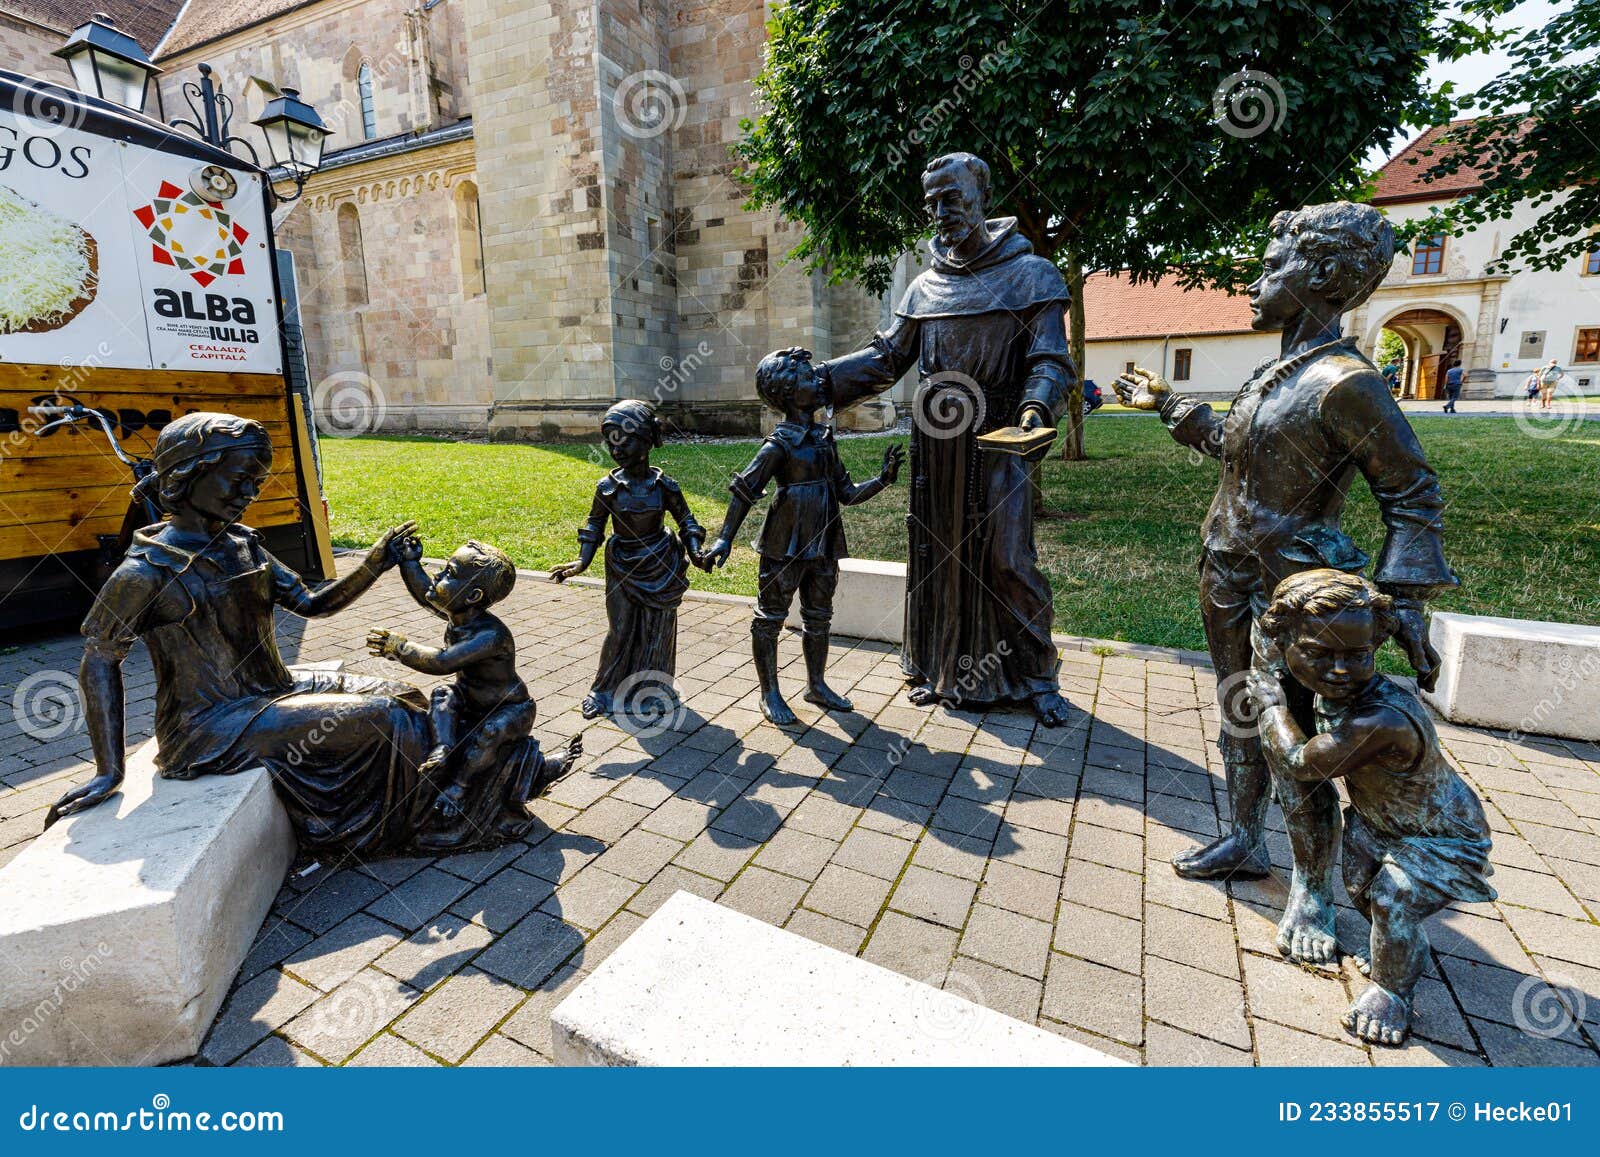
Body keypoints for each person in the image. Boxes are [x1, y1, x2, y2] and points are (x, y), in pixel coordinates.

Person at [1114, 202, 1457, 966]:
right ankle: (1243, 836)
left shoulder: (1344, 382)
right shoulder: (1280, 371)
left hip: (1295, 592)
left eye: (1276, 266)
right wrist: (1167, 406)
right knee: (1242, 711)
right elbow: (1238, 456)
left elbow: (1412, 492)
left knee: (1297, 734)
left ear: (1328, 278)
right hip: (1227, 569)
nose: (1257, 279)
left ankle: (1313, 885)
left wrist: (1403, 601)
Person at [45, 412, 576, 855]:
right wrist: (107, 771)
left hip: (272, 693)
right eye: (241, 478)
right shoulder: (147, 572)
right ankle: (429, 818)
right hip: (212, 726)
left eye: (258, 480)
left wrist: (377, 561)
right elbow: (99, 659)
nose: (251, 492)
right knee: (389, 716)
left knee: (406, 694)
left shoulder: (243, 546)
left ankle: (506, 780)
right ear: (190, 474)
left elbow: (312, 604)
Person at [816, 152, 1078, 726]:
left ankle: (1035, 672)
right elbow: (886, 359)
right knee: (940, 558)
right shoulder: (925, 287)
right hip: (938, 446)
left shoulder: (1032, 275)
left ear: (981, 196)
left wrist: (1036, 408)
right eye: (931, 201)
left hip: (1001, 437)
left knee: (1008, 555)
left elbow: (1051, 359)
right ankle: (943, 670)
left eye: (951, 197)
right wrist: (821, 381)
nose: (939, 211)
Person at [1247, 570, 1494, 1046]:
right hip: (1381, 823)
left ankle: (1391, 993)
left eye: (1357, 655)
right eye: (1320, 653)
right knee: (1363, 890)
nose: (1339, 669)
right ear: (1286, 645)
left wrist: (1274, 705)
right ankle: (1398, 948)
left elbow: (1301, 762)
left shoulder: (1381, 719)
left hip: (1442, 838)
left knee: (1392, 898)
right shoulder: (1343, 691)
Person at [700, 347, 904, 724]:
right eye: (810, 378)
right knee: (770, 616)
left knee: (819, 615)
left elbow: (846, 492)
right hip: (786, 539)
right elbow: (746, 488)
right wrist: (724, 538)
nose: (820, 381)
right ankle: (770, 693)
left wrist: (883, 479)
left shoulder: (824, 438)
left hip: (824, 538)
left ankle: (816, 684)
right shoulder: (779, 444)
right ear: (789, 393)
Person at [369, 539, 576, 829]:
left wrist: (400, 647)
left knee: (489, 733)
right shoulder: (459, 614)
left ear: (473, 595)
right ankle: (442, 748)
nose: (438, 576)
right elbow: (427, 593)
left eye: (449, 573)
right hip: (470, 697)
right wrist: (410, 562)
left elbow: (442, 662)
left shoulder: (489, 636)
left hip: (510, 710)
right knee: (443, 694)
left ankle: (458, 787)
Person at [551, 400, 704, 720]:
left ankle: (655, 689)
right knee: (619, 628)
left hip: (661, 562)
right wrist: (581, 562)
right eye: (610, 440)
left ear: (647, 440)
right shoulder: (607, 488)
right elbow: (594, 527)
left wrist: (695, 551)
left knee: (657, 629)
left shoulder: (665, 486)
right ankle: (603, 690)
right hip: (621, 562)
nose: (615, 447)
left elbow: (686, 521)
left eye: (624, 439)